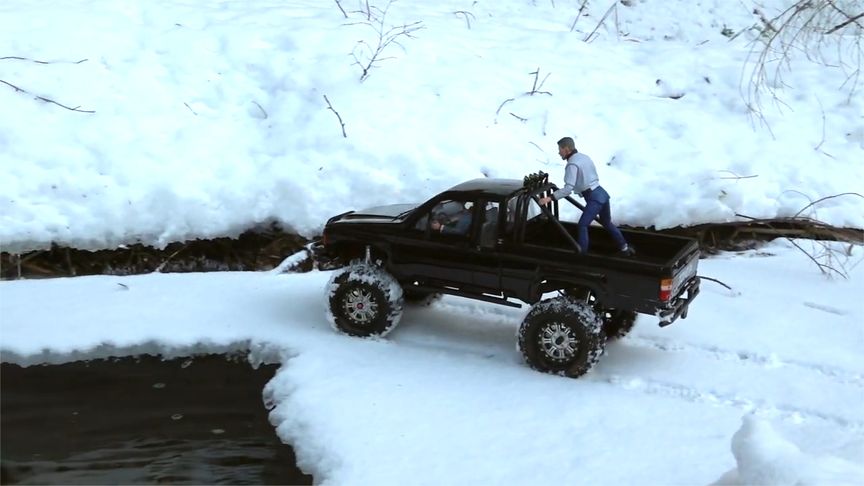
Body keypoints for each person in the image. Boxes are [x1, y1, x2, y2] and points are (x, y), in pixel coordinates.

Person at [538, 137, 634, 256]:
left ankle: (582, 254)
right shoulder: (584, 157)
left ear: (566, 149)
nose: (559, 152)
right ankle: (624, 248)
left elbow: (568, 189)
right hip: (601, 193)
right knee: (606, 222)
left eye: (560, 149)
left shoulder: (572, 164)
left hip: (594, 198)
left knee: (583, 225)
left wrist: (549, 198)